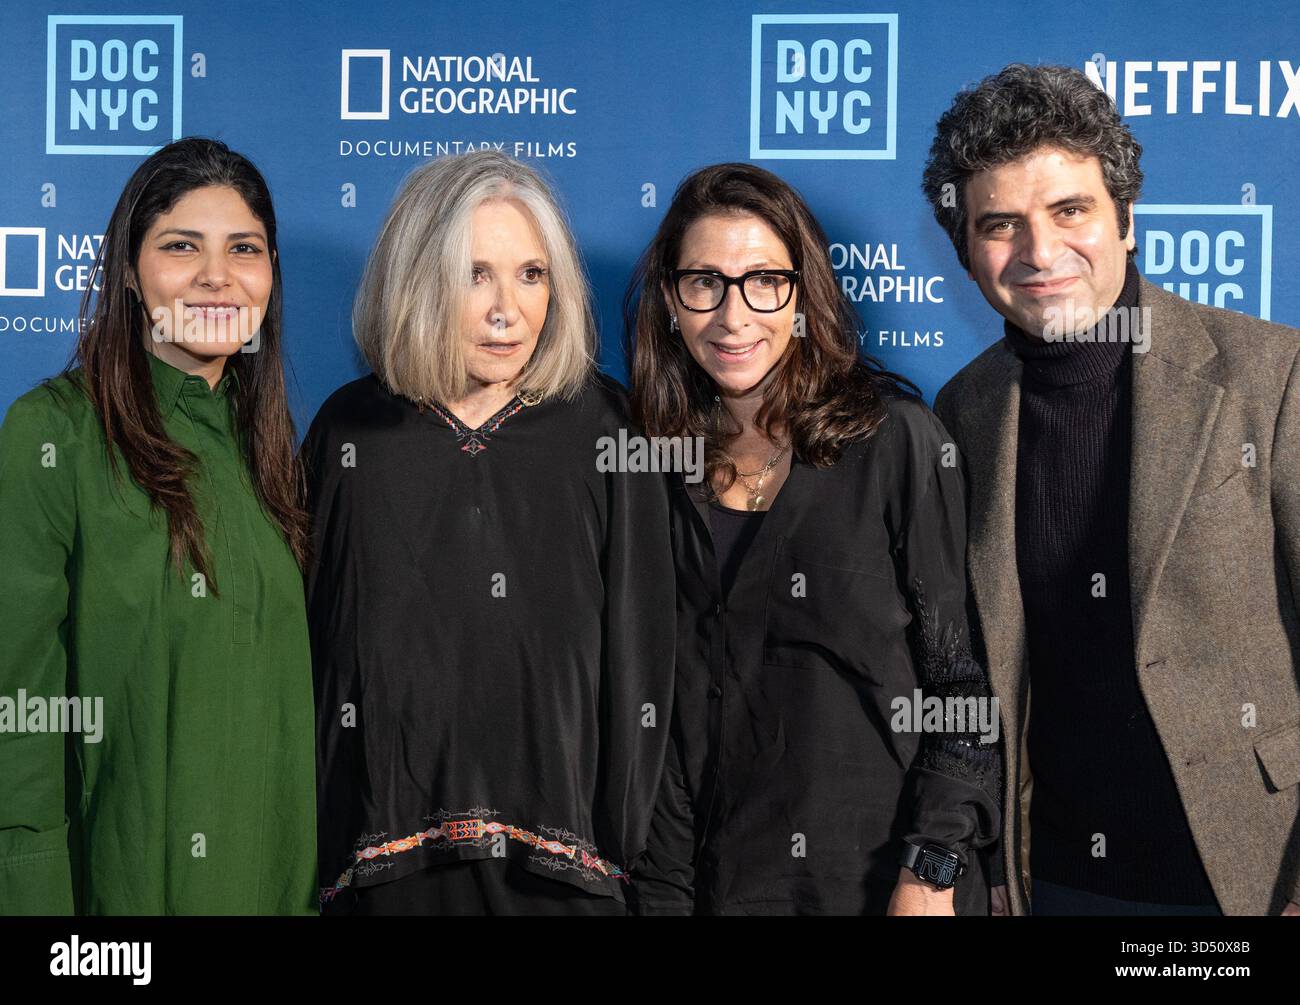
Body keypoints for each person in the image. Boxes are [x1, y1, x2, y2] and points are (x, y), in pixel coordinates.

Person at [925, 63, 1300, 917]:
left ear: (1125, 218)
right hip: (1050, 878)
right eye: (1001, 224)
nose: (1040, 252)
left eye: (1069, 211)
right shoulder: (963, 411)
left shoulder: (1272, 376)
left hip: (1251, 872)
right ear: (965, 250)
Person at [625, 162, 1001, 916]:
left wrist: (927, 874)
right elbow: (664, 730)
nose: (734, 316)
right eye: (704, 282)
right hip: (720, 890)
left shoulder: (896, 441)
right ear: (670, 300)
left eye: (764, 280)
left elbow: (962, 696)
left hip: (888, 891)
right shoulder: (651, 468)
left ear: (805, 291)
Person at [306, 150, 675, 916]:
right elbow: (313, 659)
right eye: (476, 274)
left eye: (532, 274)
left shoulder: (611, 428)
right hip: (385, 879)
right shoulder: (350, 431)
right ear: (417, 278)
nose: (508, 308)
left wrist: (626, 851)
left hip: (563, 882)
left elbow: (645, 659)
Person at [0, 137, 316, 914]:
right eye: (181, 246)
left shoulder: (275, 454)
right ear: (131, 271)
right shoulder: (56, 434)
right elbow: (17, 709)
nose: (216, 275)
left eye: (244, 248)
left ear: (270, 274)